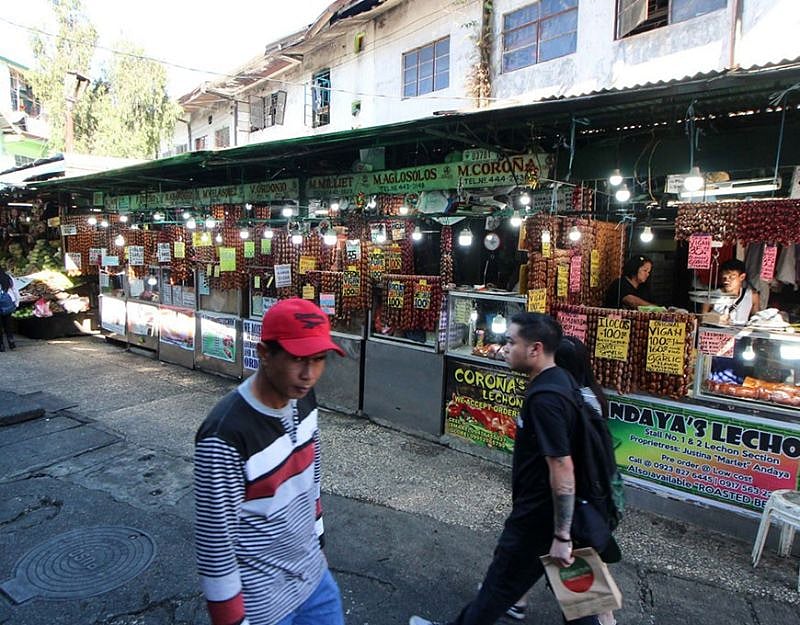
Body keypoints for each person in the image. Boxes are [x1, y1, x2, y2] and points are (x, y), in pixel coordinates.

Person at [410, 313, 601, 625]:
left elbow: (562, 467)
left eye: (512, 342)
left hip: (538, 520)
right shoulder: (559, 381)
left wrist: (562, 535)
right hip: (556, 517)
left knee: (497, 590)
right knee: (578, 600)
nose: (504, 348)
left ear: (535, 349)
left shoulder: (547, 399)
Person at [194, 298, 346, 625]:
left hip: (315, 582)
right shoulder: (225, 434)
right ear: (264, 354)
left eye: (318, 360)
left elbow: (311, 484)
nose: (309, 375)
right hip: (263, 605)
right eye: (296, 360)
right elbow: (215, 546)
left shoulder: (303, 400)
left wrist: (319, 547)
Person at [701, 258, 760, 324]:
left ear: (742, 277)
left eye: (731, 277)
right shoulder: (712, 296)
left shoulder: (752, 296)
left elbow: (756, 320)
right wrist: (717, 319)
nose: (726, 281)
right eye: (724, 277)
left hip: (741, 333)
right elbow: (702, 318)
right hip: (718, 333)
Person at [0, 266, 19, 351]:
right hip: (8, 303)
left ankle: (1, 345)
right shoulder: (8, 277)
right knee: (8, 323)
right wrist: (16, 303)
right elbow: (15, 290)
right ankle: (11, 342)